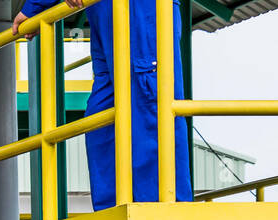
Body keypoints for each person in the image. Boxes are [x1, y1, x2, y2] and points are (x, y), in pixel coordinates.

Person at [14, 0, 191, 208]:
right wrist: (35, 7)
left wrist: (34, 6)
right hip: (104, 11)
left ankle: (162, 217)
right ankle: (114, 215)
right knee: (104, 115)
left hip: (141, 8)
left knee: (150, 102)